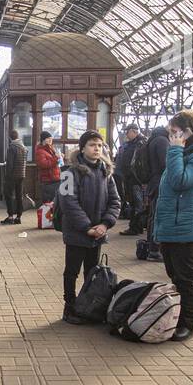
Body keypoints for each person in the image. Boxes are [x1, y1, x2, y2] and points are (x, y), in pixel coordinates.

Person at [152, 110, 193, 341]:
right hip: (172, 225)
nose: (172, 136)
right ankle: (179, 316)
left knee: (187, 277)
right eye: (171, 132)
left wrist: (176, 149)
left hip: (188, 226)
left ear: (189, 131)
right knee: (175, 274)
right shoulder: (181, 155)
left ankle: (190, 322)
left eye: (176, 131)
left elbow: (179, 182)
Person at [58, 132, 120, 324]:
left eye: (100, 146)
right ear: (83, 147)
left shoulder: (106, 172)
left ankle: (87, 307)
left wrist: (105, 224)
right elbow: (68, 203)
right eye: (93, 145)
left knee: (92, 272)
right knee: (72, 271)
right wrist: (87, 227)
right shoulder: (69, 172)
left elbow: (115, 201)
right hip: (77, 232)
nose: (97, 149)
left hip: (97, 233)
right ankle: (69, 308)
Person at [142, 123, 170, 260]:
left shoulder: (154, 139)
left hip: (153, 182)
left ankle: (151, 247)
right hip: (160, 182)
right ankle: (154, 249)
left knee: (153, 216)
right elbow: (166, 164)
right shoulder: (162, 141)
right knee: (158, 216)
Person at [115, 124, 146, 235]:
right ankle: (135, 226)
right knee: (133, 202)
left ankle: (135, 227)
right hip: (129, 178)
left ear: (134, 131)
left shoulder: (141, 143)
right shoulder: (131, 144)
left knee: (137, 203)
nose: (126, 134)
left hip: (136, 179)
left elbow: (139, 163)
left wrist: (140, 178)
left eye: (127, 132)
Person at [1, 130, 28, 224]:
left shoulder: (12, 147)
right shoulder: (24, 147)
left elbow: (10, 164)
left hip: (12, 176)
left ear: (10, 138)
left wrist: (7, 176)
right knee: (19, 196)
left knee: (9, 195)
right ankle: (18, 217)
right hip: (22, 174)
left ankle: (10, 216)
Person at [35, 131, 61, 206]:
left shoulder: (50, 149)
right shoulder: (40, 151)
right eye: (48, 138)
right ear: (43, 140)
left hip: (54, 179)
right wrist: (56, 158)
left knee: (54, 203)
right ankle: (47, 217)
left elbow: (53, 161)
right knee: (49, 204)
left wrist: (59, 157)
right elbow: (43, 164)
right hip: (48, 181)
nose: (50, 140)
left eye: (51, 138)